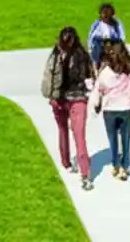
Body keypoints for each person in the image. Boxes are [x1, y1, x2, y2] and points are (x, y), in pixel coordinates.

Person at [41, 26, 94, 191]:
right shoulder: (82, 55)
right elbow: (90, 77)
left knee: (66, 131)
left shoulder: (57, 54)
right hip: (74, 99)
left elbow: (48, 77)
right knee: (77, 135)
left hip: (64, 99)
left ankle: (70, 165)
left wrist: (51, 96)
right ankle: (82, 173)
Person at [92, 40, 130, 181]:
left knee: (113, 139)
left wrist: (96, 104)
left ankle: (115, 165)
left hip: (110, 110)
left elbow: (98, 89)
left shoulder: (105, 72)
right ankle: (125, 166)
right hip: (126, 108)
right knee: (126, 139)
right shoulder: (129, 71)